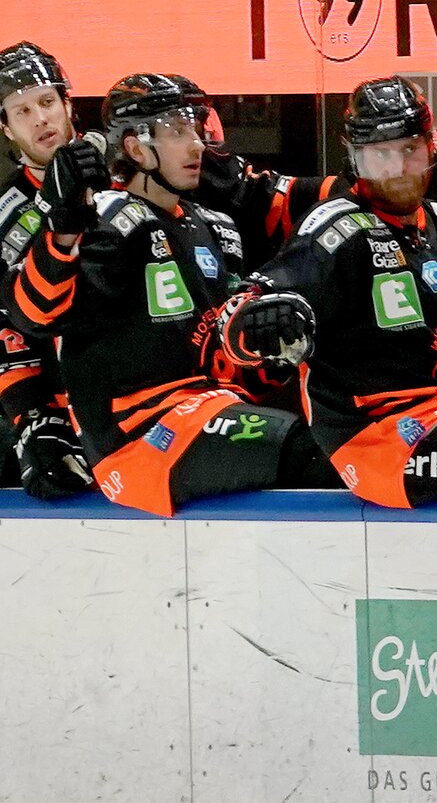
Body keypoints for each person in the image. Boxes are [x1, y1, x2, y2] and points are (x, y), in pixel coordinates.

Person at [8, 73, 330, 515]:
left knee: (329, 430)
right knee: (319, 452)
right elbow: (34, 314)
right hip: (138, 437)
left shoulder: (217, 228)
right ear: (136, 148)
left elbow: (226, 366)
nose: (196, 145)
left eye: (196, 129)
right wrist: (62, 231)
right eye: (177, 131)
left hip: (208, 411)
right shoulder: (101, 218)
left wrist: (270, 346)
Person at [216, 77, 437, 508]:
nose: (398, 168)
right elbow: (248, 312)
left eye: (409, 150)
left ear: (431, 147)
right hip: (377, 435)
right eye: (380, 155)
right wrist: (260, 320)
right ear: (356, 159)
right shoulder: (336, 229)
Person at [0, 42, 94, 499]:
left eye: (46, 102)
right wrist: (31, 420)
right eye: (21, 111)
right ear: (6, 128)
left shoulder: (130, 169)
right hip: (60, 408)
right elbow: (6, 336)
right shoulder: (3, 214)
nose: (40, 118)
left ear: (67, 104)